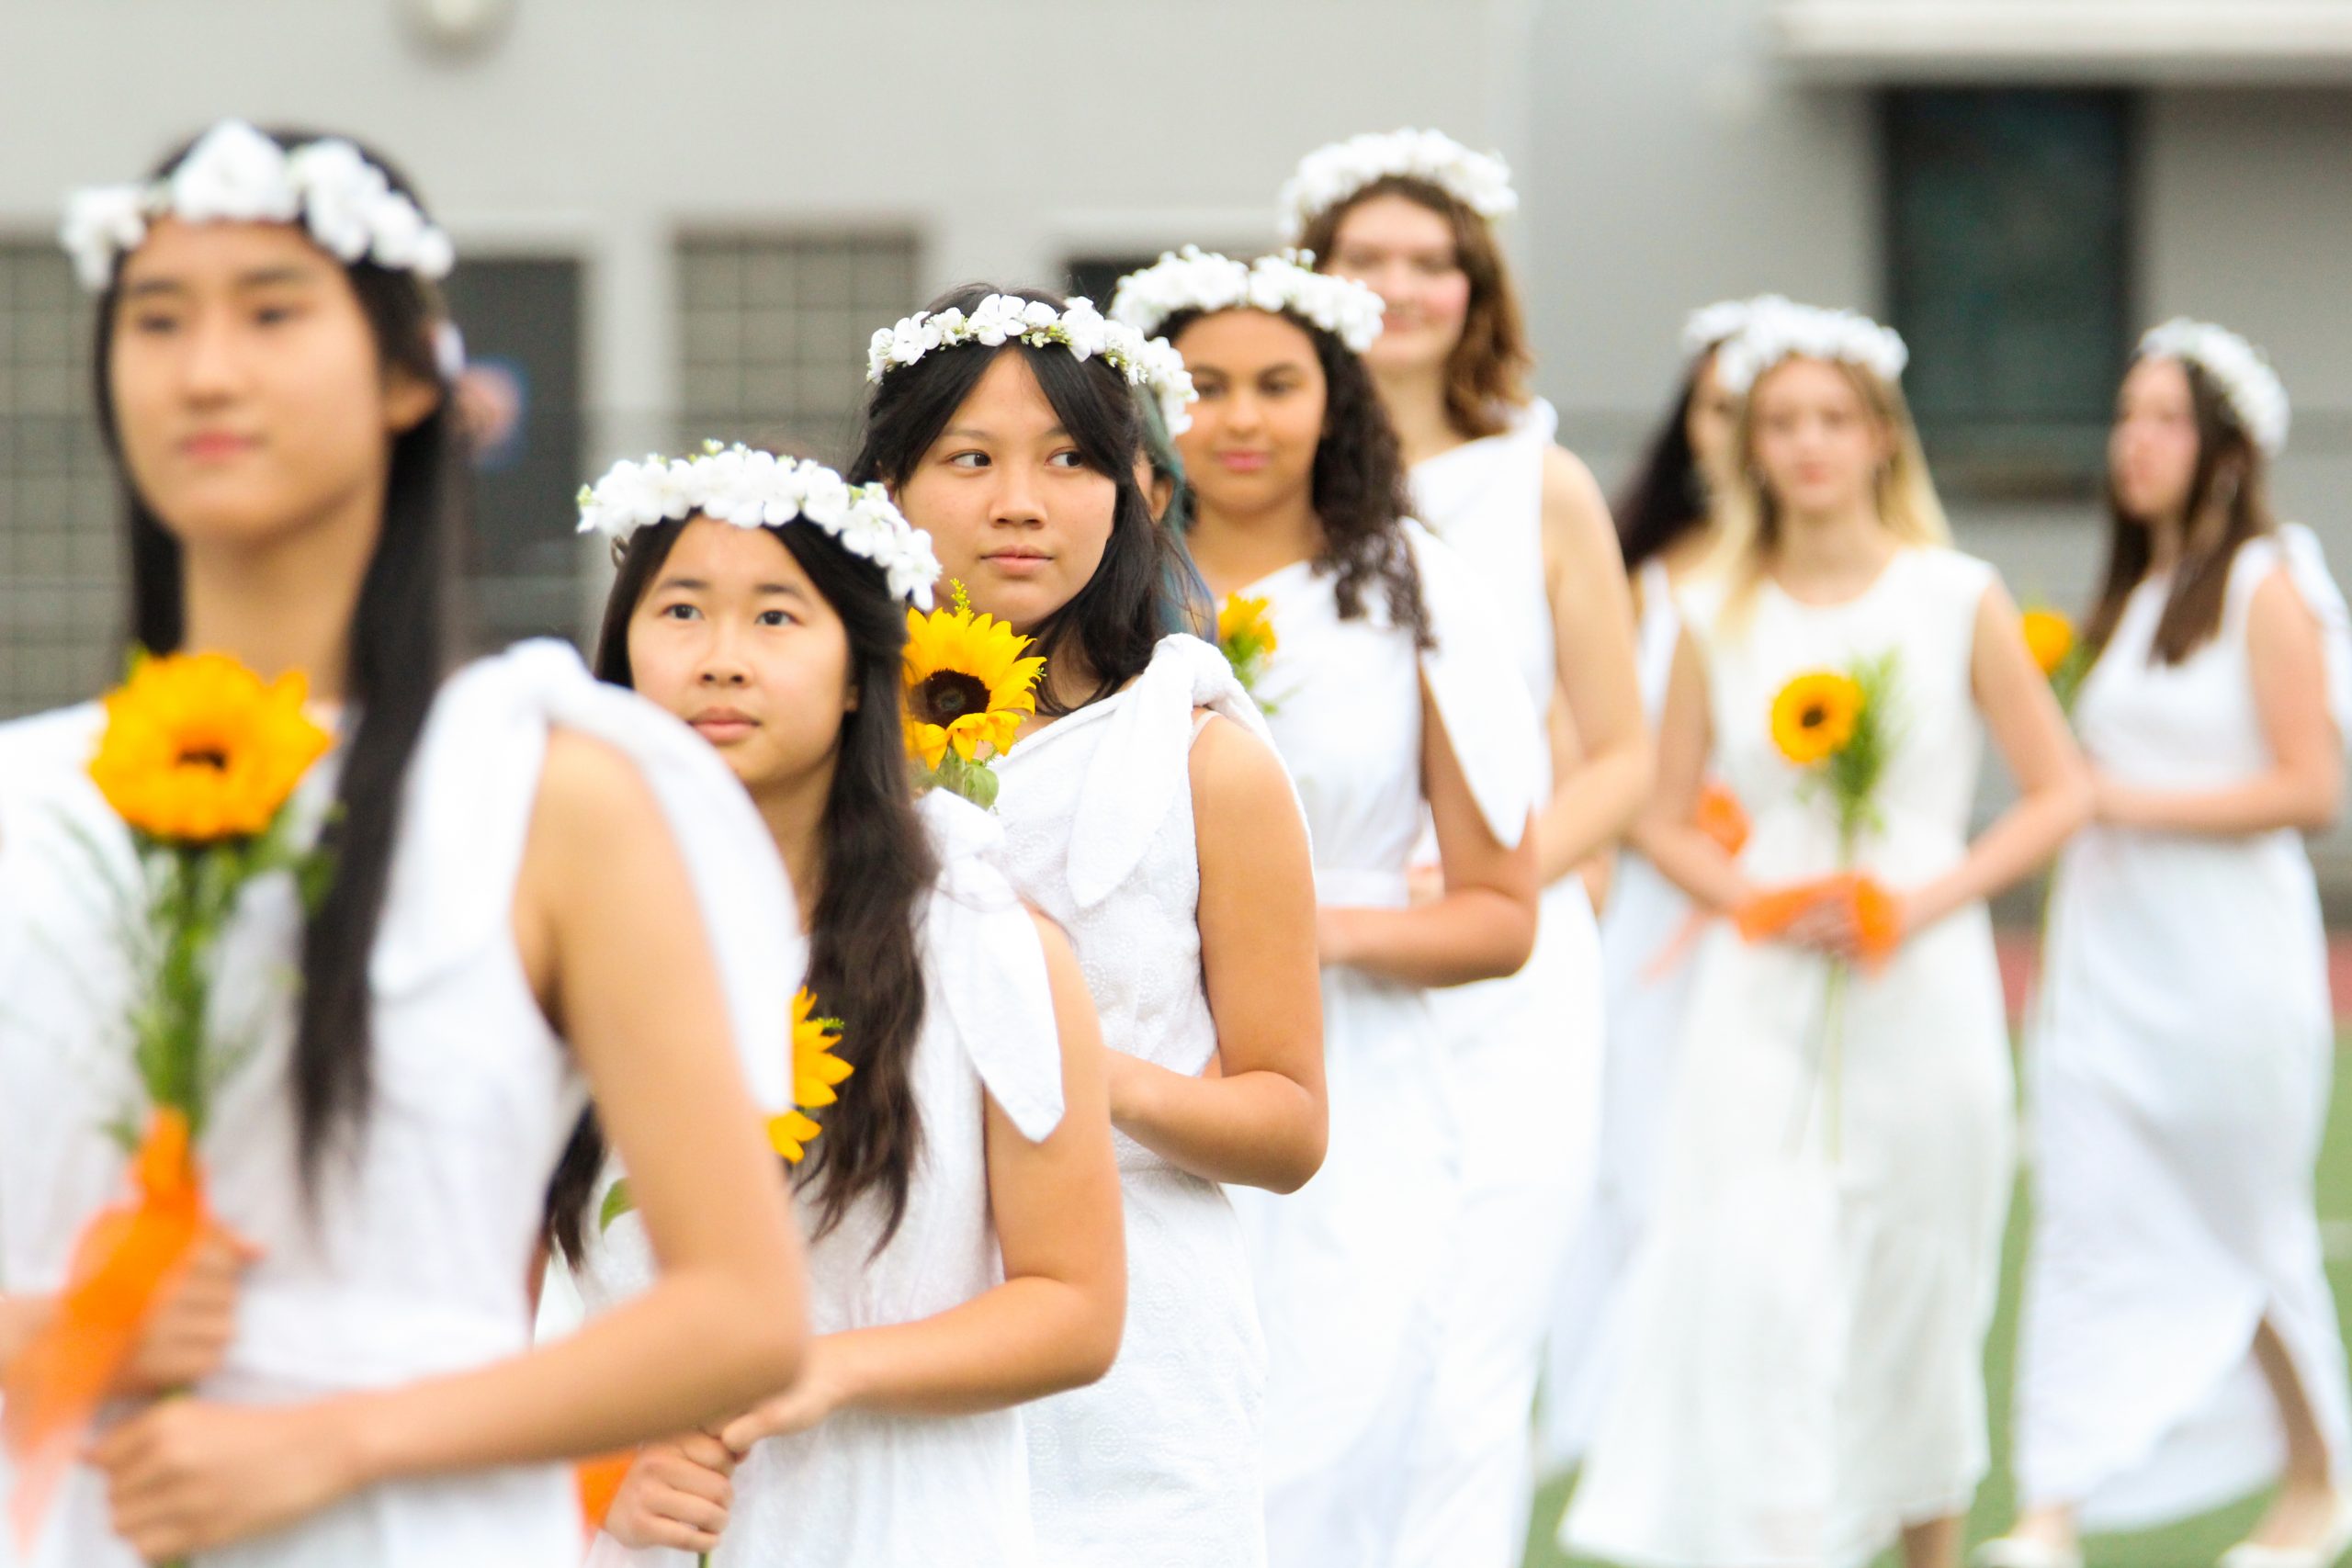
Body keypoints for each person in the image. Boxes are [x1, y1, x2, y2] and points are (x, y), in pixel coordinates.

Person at [0, 121, 806, 1568]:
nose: (206, 371)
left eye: (270, 312)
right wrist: (56, 1329)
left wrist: (336, 1438)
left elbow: (741, 1311)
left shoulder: (547, 791)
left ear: (406, 377)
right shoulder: (29, 796)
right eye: (158, 319)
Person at [1564, 299, 2090, 1568]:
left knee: (1922, 1291)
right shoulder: (1710, 612)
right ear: (1749, 447)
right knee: (1761, 1283)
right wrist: (1747, 899)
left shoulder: (1955, 595)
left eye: (1833, 419)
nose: (1807, 444)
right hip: (1759, 995)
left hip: (1926, 982)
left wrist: (1918, 901)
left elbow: (2059, 791)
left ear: (1879, 437)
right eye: (1782, 422)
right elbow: (1659, 812)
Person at [549, 447, 1126, 1565]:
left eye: (776, 617)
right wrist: (591, 1469)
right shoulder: (554, 941)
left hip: (901, 1524)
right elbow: (468, 1294)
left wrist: (827, 1368)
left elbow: (1074, 1305)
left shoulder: (985, 946)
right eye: (681, 611)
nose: (721, 660)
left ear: (862, 672)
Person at [852, 285, 1326, 1567]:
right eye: (971, 459)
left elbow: (1288, 1123)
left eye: (1069, 460)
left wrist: (1067, 1062)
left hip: (1136, 1363)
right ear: (890, 488)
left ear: (1133, 495)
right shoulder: (827, 747)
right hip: (882, 1303)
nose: (1021, 502)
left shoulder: (1202, 759)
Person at [1114, 246, 1543, 1565]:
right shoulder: (1105, 590)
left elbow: (1502, 914)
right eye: (1204, 384)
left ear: (1334, 398)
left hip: (1356, 1088)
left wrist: (1305, 936)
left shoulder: (1418, 590)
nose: (1239, 417)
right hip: (1143, 1065)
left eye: (1278, 384)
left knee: (1335, 1431)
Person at [1288, 129, 1649, 1562]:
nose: (1399, 284)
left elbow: (1624, 754)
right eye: (1365, 257)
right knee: (1323, 1339)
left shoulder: (1539, 483)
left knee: (1471, 1353)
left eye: (1430, 260)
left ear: (1476, 285)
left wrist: (1508, 868)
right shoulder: (1256, 481)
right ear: (1312, 277)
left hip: (1508, 975)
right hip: (1307, 960)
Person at [1983, 321, 2352, 1568]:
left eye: (2164, 419)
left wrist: (2119, 803)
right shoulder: (2136, 594)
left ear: (2225, 448)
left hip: (2225, 968)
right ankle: (2052, 1505)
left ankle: (2318, 1477)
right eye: (2126, 415)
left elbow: (2310, 787)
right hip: (2105, 964)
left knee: (2244, 1224)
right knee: (2084, 1213)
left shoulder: (2266, 586)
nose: (2132, 442)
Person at [1541, 293, 1769, 1473]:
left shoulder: (1827, 579)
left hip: (1790, 908)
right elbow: (1593, 735)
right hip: (1658, 896)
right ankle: (1615, 1407)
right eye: (1720, 409)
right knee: (1634, 1152)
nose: (1740, 434)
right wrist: (1601, 852)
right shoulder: (1641, 568)